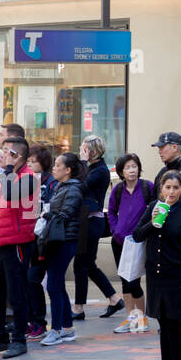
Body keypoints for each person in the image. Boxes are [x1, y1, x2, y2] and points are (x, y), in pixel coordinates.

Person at [132, 171, 181, 360]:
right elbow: (137, 235)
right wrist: (152, 223)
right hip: (156, 277)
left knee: (174, 324)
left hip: (177, 277)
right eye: (167, 187)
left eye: (176, 188)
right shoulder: (154, 206)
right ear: (161, 188)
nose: (171, 192)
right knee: (163, 325)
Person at [0, 136, 37, 359]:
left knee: (16, 293)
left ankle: (19, 339)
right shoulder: (7, 176)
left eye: (6, 152)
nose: (1, 156)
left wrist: (9, 168)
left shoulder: (29, 178)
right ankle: (0, 337)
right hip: (1, 242)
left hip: (18, 244)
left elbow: (12, 194)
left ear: (17, 156)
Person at [73, 135, 122, 321]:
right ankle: (114, 298)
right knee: (87, 264)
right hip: (85, 220)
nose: (80, 151)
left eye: (83, 149)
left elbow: (80, 187)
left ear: (92, 153)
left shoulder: (99, 170)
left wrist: (83, 164)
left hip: (91, 221)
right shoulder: (90, 168)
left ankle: (78, 308)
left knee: (81, 264)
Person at [39, 152, 85, 347]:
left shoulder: (74, 189)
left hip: (65, 241)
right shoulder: (61, 186)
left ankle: (56, 329)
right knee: (57, 285)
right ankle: (67, 328)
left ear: (68, 170)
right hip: (57, 240)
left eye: (58, 165)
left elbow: (67, 213)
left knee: (53, 286)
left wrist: (47, 214)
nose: (54, 168)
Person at [106, 153, 153, 334]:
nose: (131, 170)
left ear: (138, 168)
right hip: (119, 241)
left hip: (138, 242)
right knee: (125, 281)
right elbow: (111, 212)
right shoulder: (117, 190)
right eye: (127, 167)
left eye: (134, 166)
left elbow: (153, 210)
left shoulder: (147, 187)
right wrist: (115, 230)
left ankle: (142, 319)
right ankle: (131, 319)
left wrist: (144, 231)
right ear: (121, 172)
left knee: (134, 282)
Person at [23, 144, 55, 340]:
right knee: (27, 280)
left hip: (44, 239)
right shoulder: (28, 180)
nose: (30, 164)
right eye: (29, 161)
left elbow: (49, 210)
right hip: (29, 236)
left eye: (33, 161)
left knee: (34, 279)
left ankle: (40, 323)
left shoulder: (51, 183)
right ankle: (32, 321)